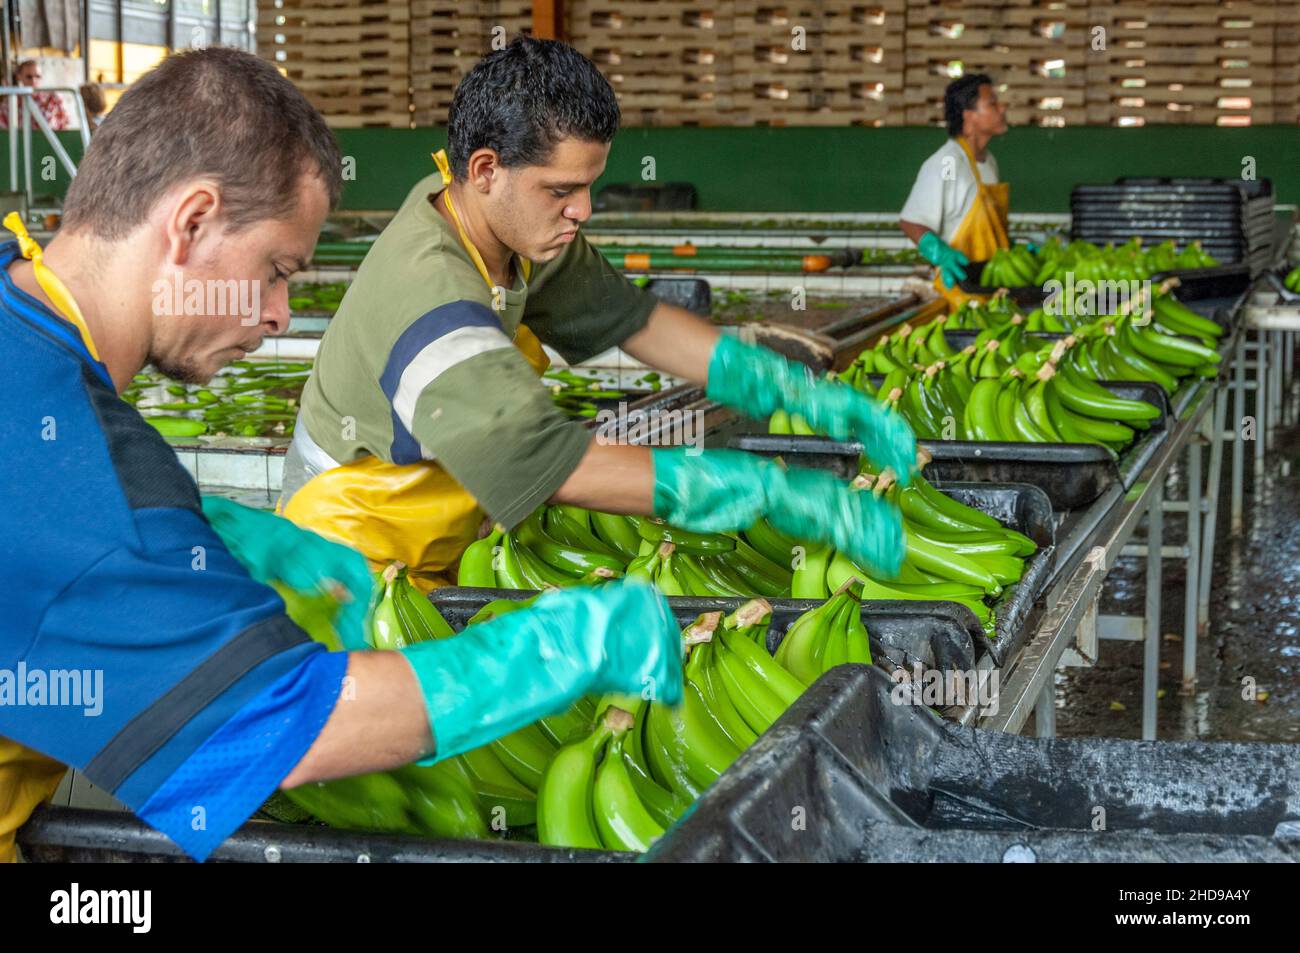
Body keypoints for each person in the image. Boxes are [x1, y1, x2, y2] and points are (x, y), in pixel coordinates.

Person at [0, 47, 682, 863]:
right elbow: (283, 725)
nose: (283, 314)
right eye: (278, 270)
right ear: (190, 223)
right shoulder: (99, 493)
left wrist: (209, 522)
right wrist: (556, 648)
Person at [280, 37, 916, 590]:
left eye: (588, 185)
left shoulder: (501, 223)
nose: (583, 210)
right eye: (561, 190)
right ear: (485, 170)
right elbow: (546, 463)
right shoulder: (431, 297)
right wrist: (757, 489)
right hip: (352, 554)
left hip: (439, 530)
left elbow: (631, 319)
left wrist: (780, 384)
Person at [899, 73, 1010, 308]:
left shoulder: (989, 162)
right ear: (969, 117)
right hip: (958, 293)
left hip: (992, 289)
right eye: (992, 103)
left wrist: (1012, 249)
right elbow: (911, 222)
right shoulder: (947, 163)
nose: (1002, 108)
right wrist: (940, 254)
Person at [0, 58, 70, 131]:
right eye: (29, 77)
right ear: (19, 77)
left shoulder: (53, 98)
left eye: (38, 76)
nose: (33, 80)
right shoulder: (10, 104)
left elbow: (65, 125)